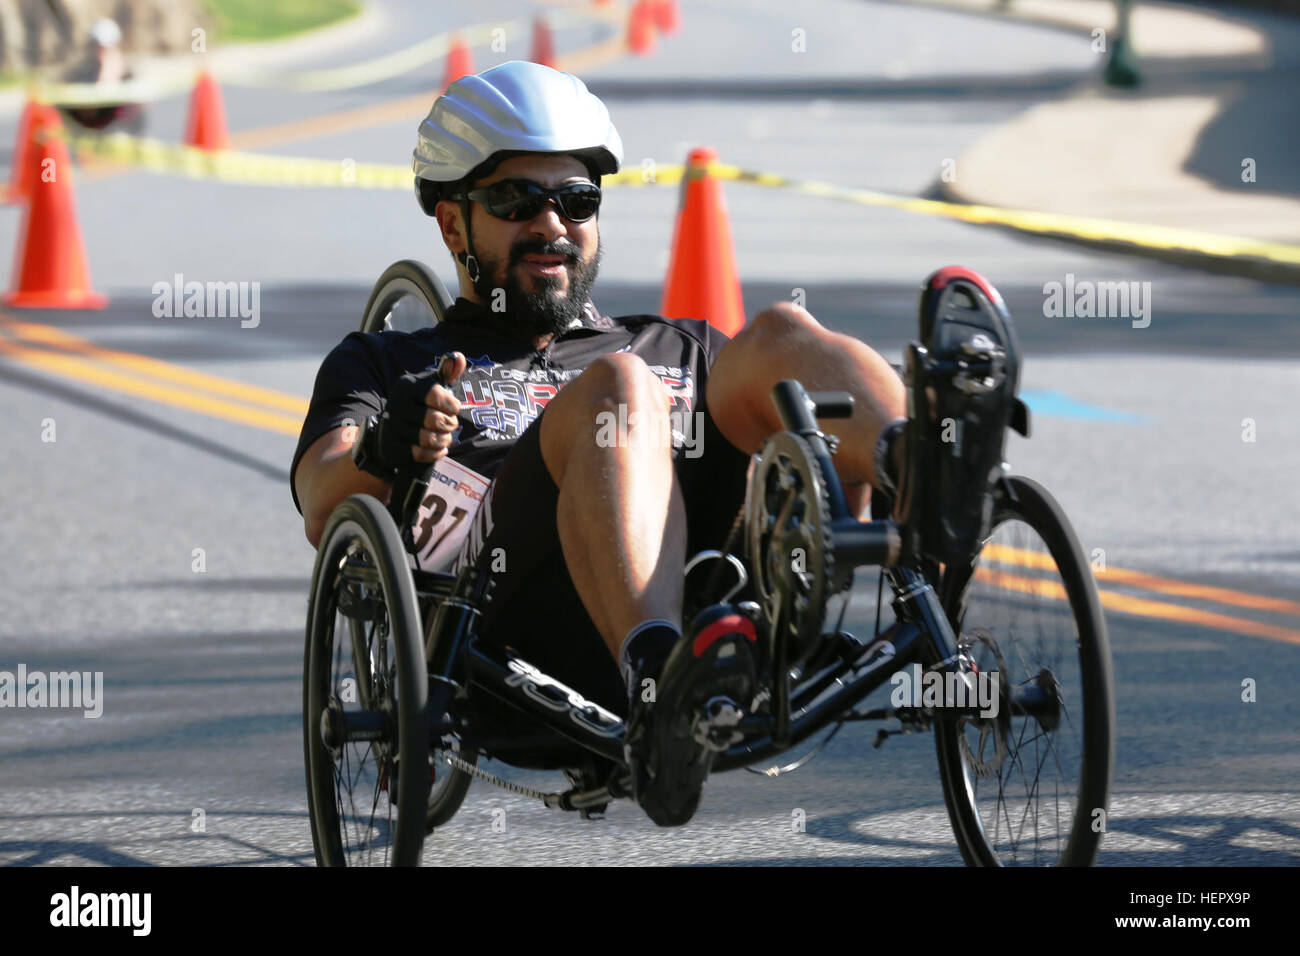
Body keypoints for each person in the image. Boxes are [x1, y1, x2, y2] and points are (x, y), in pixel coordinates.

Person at [291, 60, 1018, 826]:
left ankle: (928, 475)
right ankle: (655, 677)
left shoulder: (674, 343)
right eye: (515, 201)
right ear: (452, 223)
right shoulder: (395, 362)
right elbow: (318, 496)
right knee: (618, 388)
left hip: (717, 597)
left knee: (777, 335)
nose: (552, 225)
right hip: (513, 624)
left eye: (576, 201)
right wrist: (382, 450)